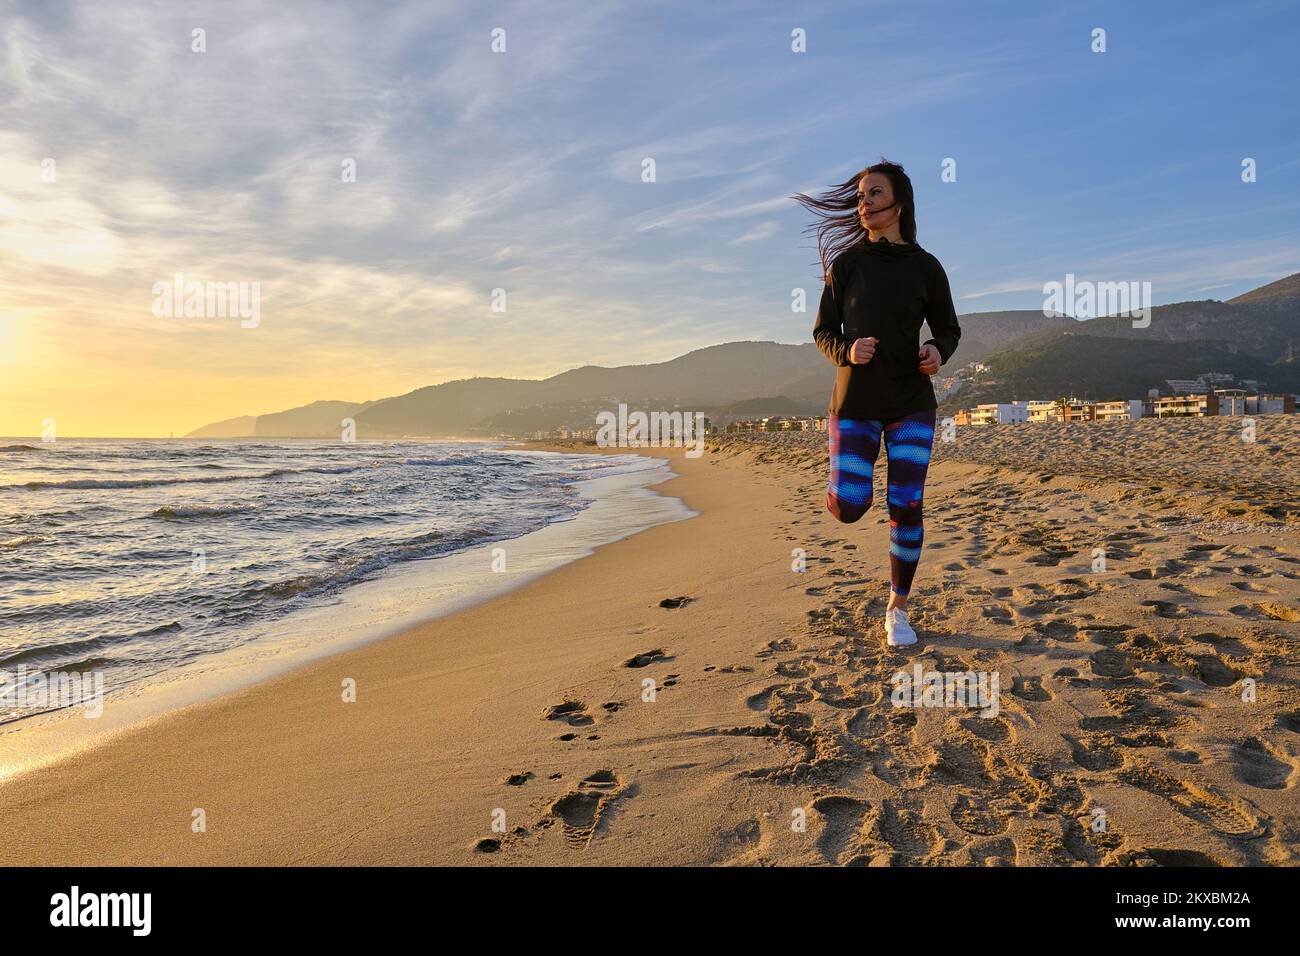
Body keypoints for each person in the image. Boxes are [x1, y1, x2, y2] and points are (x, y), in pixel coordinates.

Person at [793, 160, 961, 646]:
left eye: (873, 194)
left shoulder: (928, 268)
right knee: (849, 507)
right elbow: (822, 331)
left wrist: (937, 352)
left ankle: (898, 609)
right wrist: (846, 350)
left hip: (911, 401)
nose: (863, 203)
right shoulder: (846, 266)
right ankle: (838, 480)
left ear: (898, 203)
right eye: (861, 196)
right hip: (855, 402)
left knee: (906, 504)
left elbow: (948, 329)